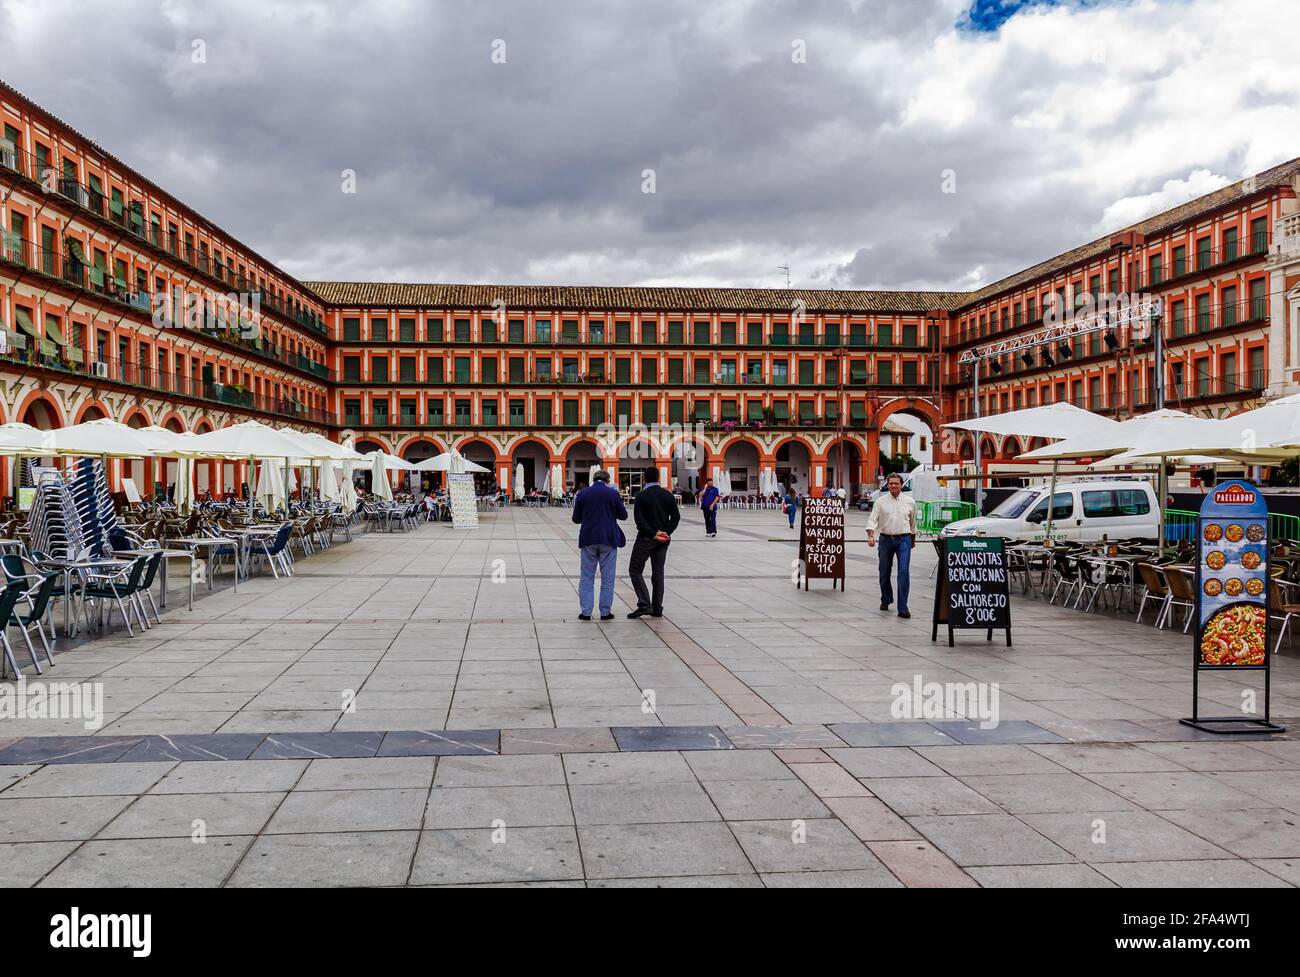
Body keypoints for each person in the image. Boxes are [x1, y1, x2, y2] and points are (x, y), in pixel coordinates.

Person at [570, 468, 628, 621]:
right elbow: (624, 515)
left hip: (588, 538)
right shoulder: (613, 493)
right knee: (608, 577)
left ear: (593, 480)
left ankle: (586, 612)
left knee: (587, 577)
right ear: (607, 480)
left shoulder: (583, 493)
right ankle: (605, 612)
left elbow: (576, 518)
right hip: (608, 538)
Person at [628, 467, 680, 618]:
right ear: (658, 478)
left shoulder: (641, 496)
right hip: (663, 540)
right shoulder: (667, 495)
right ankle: (657, 608)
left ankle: (644, 604)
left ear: (645, 478)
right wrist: (665, 533)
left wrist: (653, 533)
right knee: (658, 573)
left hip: (646, 538)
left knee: (635, 570)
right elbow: (676, 518)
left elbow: (639, 521)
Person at [866, 472, 917, 618]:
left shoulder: (910, 502)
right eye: (891, 483)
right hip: (885, 540)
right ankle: (886, 598)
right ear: (887, 485)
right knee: (884, 572)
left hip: (904, 539)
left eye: (897, 483)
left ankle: (903, 607)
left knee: (903, 572)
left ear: (901, 485)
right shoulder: (880, 501)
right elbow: (872, 520)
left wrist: (912, 539)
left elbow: (912, 523)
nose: (894, 486)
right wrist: (870, 535)